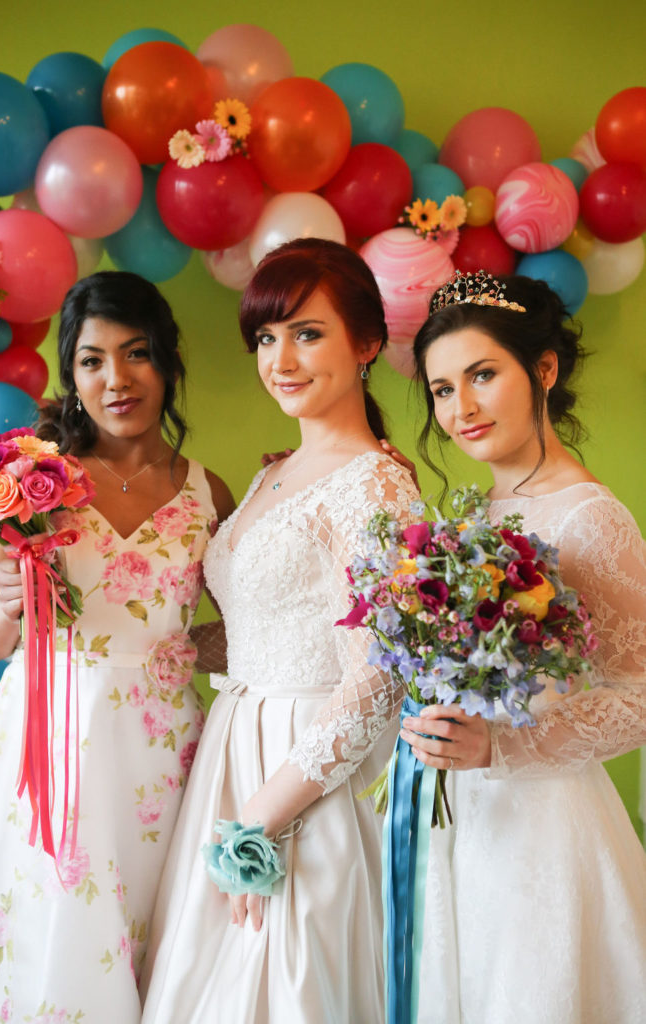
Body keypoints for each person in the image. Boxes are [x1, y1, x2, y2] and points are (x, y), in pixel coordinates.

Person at [140, 238, 419, 1023]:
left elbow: (376, 673)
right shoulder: (274, 472)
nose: (280, 359)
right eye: (267, 337)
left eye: (307, 333)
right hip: (235, 743)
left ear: (365, 343)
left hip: (304, 770)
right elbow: (268, 624)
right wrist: (159, 651)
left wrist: (266, 811)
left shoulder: (374, 487)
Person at [0, 271, 234, 1022]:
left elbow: (242, 631)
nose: (115, 379)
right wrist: (10, 608)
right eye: (91, 360)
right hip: (46, 743)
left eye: (136, 353)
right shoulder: (23, 477)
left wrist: (184, 651)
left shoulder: (209, 494)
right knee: (51, 933)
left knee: (154, 931)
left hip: (162, 751)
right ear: (71, 372)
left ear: (168, 362)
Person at [400, 271, 646, 1024]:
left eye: (481, 375)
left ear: (542, 369)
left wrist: (502, 749)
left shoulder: (586, 519)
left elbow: (640, 696)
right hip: (459, 821)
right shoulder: (476, 509)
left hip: (543, 828)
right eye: (441, 389)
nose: (460, 408)